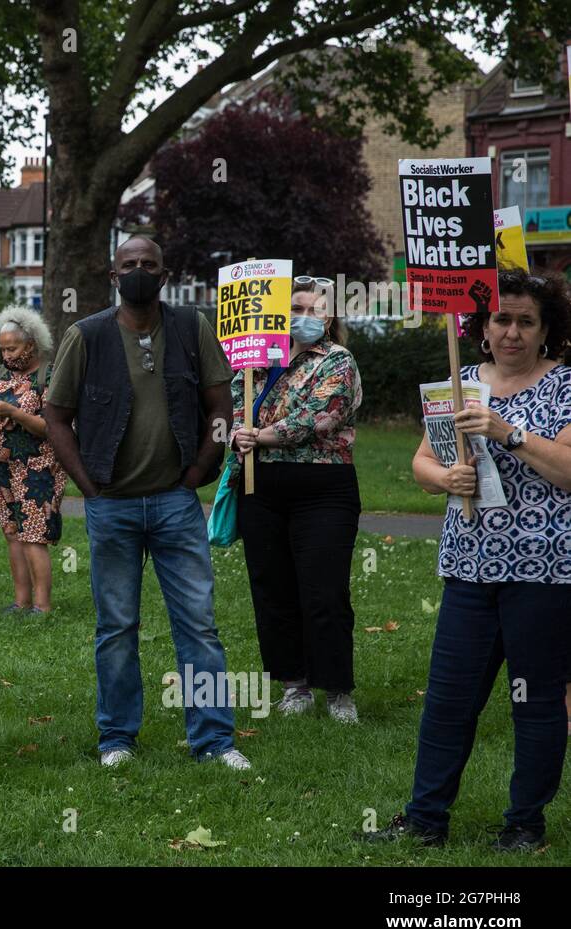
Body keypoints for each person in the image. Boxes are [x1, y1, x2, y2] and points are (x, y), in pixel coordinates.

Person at [370, 270, 571, 851]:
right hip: (469, 568)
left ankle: (524, 826)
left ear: (545, 330)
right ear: (482, 326)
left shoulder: (565, 388)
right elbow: (421, 463)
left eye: (525, 321)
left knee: (534, 703)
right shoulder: (457, 384)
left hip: (544, 571)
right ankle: (425, 820)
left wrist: (509, 434)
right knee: (449, 702)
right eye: (501, 319)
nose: (511, 332)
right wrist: (443, 476)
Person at [43, 236, 250, 769]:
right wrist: (89, 487)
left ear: (165, 274)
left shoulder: (190, 328)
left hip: (175, 505)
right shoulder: (86, 336)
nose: (138, 271)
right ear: (115, 275)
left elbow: (221, 405)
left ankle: (213, 740)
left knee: (198, 625)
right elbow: (55, 417)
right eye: (128, 264)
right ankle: (116, 738)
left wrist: (199, 473)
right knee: (116, 626)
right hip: (111, 505)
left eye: (148, 265)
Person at [230, 276, 363, 722]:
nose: (304, 318)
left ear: (330, 319)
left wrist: (260, 435)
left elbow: (320, 415)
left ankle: (338, 689)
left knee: (323, 590)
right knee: (272, 589)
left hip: (323, 488)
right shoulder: (256, 361)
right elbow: (231, 405)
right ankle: (294, 685)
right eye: (297, 308)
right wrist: (237, 431)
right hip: (260, 487)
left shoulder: (338, 361)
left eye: (315, 311)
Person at [0, 305, 66, 614]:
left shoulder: (50, 375)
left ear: (31, 344)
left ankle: (42, 607)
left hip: (36, 470)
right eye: (3, 348)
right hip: (0, 469)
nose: (7, 354)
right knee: (12, 533)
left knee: (34, 536)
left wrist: (15, 413)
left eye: (12, 348)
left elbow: (53, 427)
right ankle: (21, 602)